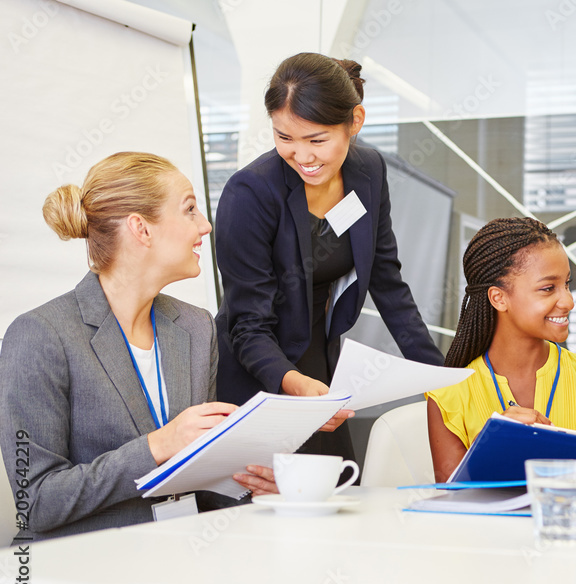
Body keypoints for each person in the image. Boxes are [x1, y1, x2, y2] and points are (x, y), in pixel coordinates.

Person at [0, 152, 276, 542]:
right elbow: (37, 501)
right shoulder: (39, 335)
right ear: (141, 229)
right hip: (81, 570)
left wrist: (250, 486)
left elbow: (194, 480)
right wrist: (157, 446)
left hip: (182, 553)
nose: (205, 225)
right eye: (190, 209)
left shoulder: (196, 327)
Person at [214, 53, 443, 466]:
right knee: (266, 502)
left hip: (320, 361)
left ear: (355, 122)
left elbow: (387, 282)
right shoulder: (250, 193)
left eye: (316, 140)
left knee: (332, 490)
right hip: (259, 370)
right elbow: (246, 324)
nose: (302, 156)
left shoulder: (368, 172)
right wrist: (292, 381)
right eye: (284, 138)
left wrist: (441, 378)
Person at [426, 217, 576, 483]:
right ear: (499, 298)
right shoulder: (448, 395)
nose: (568, 301)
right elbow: (453, 502)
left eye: (567, 284)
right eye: (547, 288)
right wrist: (492, 443)